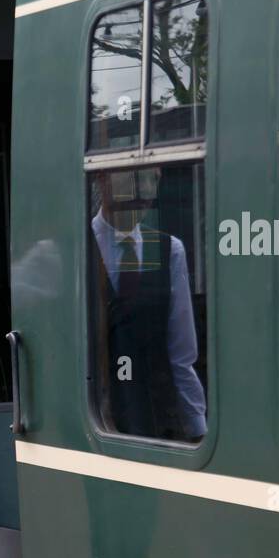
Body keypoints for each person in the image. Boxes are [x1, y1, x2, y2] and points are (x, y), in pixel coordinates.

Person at [90, 168, 207, 441]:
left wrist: (197, 429)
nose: (143, 192)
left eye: (151, 179)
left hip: (155, 419)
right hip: (96, 419)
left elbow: (180, 354)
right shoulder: (72, 249)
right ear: (102, 176)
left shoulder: (169, 250)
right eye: (132, 178)